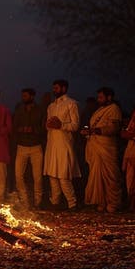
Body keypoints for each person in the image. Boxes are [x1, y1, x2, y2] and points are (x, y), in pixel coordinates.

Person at [83, 87, 122, 213]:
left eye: (101, 97)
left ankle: (113, 203)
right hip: (96, 145)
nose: (99, 100)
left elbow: (114, 128)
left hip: (107, 147)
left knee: (111, 176)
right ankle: (101, 202)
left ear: (109, 97)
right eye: (98, 97)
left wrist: (97, 130)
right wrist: (88, 132)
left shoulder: (114, 109)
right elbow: (94, 127)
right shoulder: (99, 110)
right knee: (97, 175)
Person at [44, 79, 81, 211]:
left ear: (64, 89)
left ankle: (72, 204)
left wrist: (61, 125)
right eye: (54, 88)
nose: (54, 90)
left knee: (64, 176)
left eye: (57, 88)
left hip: (65, 144)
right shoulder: (51, 106)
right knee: (52, 176)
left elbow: (76, 125)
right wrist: (49, 125)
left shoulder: (71, 104)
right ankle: (55, 203)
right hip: (52, 144)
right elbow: (48, 126)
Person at [12, 88, 45, 210]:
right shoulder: (19, 110)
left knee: (37, 177)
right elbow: (14, 127)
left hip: (36, 147)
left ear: (32, 96)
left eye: (25, 96)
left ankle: (38, 202)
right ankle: (24, 201)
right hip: (22, 147)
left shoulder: (40, 110)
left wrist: (33, 130)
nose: (23, 98)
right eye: (23, 96)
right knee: (18, 175)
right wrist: (20, 130)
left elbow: (44, 128)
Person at [121, 106, 135, 211]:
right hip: (130, 152)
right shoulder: (132, 121)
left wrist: (130, 135)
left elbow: (130, 134)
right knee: (130, 179)